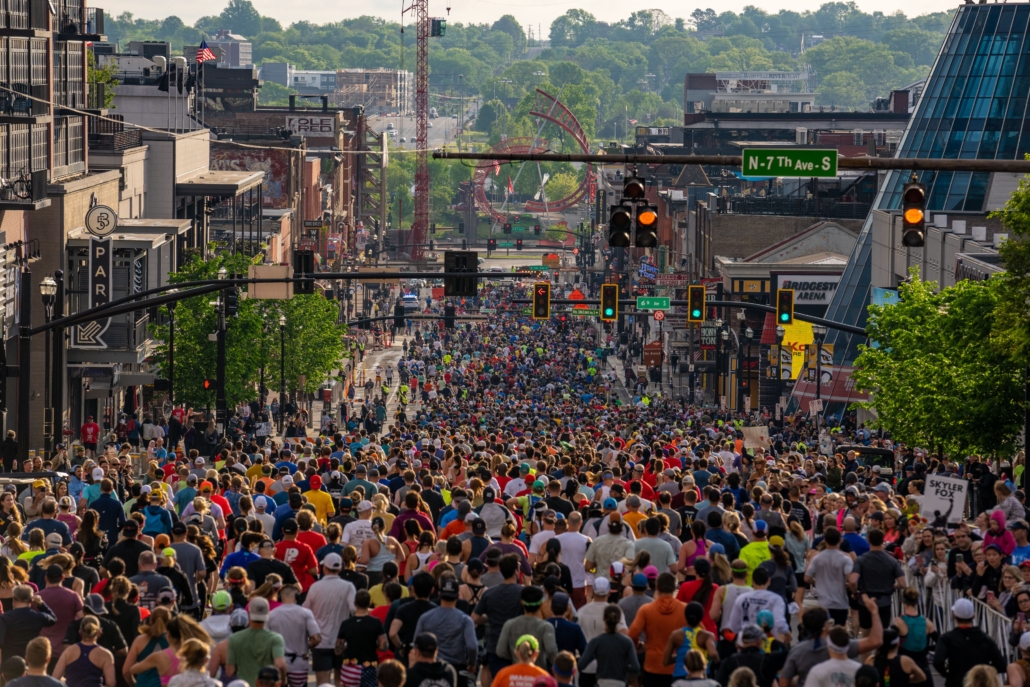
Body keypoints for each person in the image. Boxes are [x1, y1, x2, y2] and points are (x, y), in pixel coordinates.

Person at [778, 596, 884, 687]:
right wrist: (874, 612)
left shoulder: (798, 651)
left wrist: (799, 680)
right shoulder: (839, 645)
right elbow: (875, 641)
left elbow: (784, 683)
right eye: (830, 622)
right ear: (825, 626)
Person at [303, 553, 357, 687]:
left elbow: (305, 610)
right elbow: (354, 609)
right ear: (340, 569)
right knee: (341, 682)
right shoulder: (348, 586)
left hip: (320, 641)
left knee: (322, 683)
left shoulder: (315, 587)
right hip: (341, 642)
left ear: (324, 568)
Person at [413, 577, 477, 687]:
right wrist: (472, 663)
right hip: (457, 667)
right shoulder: (465, 619)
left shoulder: (426, 617)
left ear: (439, 595)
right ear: (458, 596)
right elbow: (472, 645)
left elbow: (416, 642)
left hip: (430, 667)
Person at [629, 573, 687, 687]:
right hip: (677, 666)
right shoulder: (684, 609)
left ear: (657, 587)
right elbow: (699, 632)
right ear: (674, 588)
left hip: (652, 665)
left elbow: (632, 634)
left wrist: (638, 645)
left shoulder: (646, 610)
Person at [933, 598, 1006, 687]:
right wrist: (984, 672)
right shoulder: (984, 639)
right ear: (973, 616)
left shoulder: (947, 638)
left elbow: (938, 661)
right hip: (980, 683)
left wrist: (948, 674)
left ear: (954, 615)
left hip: (956, 682)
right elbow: (1001, 664)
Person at [267, 585, 322, 687]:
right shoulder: (305, 613)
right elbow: (317, 637)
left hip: (277, 663)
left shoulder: (271, 614)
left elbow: (265, 639)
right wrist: (308, 647)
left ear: (280, 597)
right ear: (297, 597)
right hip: (299, 662)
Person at [226, 598, 287, 687]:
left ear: (249, 615)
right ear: (267, 614)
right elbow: (280, 664)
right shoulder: (275, 638)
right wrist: (283, 681)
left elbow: (229, 672)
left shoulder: (235, 638)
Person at [335, 590, 387, 687]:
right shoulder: (376, 622)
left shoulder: (346, 623)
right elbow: (384, 646)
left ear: (355, 603)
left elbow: (338, 650)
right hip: (370, 667)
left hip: (350, 667)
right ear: (369, 603)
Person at [579, 606, 640, 687]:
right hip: (620, 682)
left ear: (604, 618)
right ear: (619, 620)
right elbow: (636, 667)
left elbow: (581, 665)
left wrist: (596, 656)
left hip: (602, 682)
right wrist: (623, 668)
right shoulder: (627, 641)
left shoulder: (596, 641)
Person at [52, 616, 116, 687]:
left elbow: (55, 678)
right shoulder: (106, 654)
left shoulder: (68, 651)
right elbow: (111, 683)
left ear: (80, 632)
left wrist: (65, 682)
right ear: (99, 632)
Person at [0, 585, 57, 659]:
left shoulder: (5, 618)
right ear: (31, 600)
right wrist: (41, 604)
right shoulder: (37, 616)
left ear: (14, 599)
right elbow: (53, 619)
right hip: (30, 658)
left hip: (10, 659)